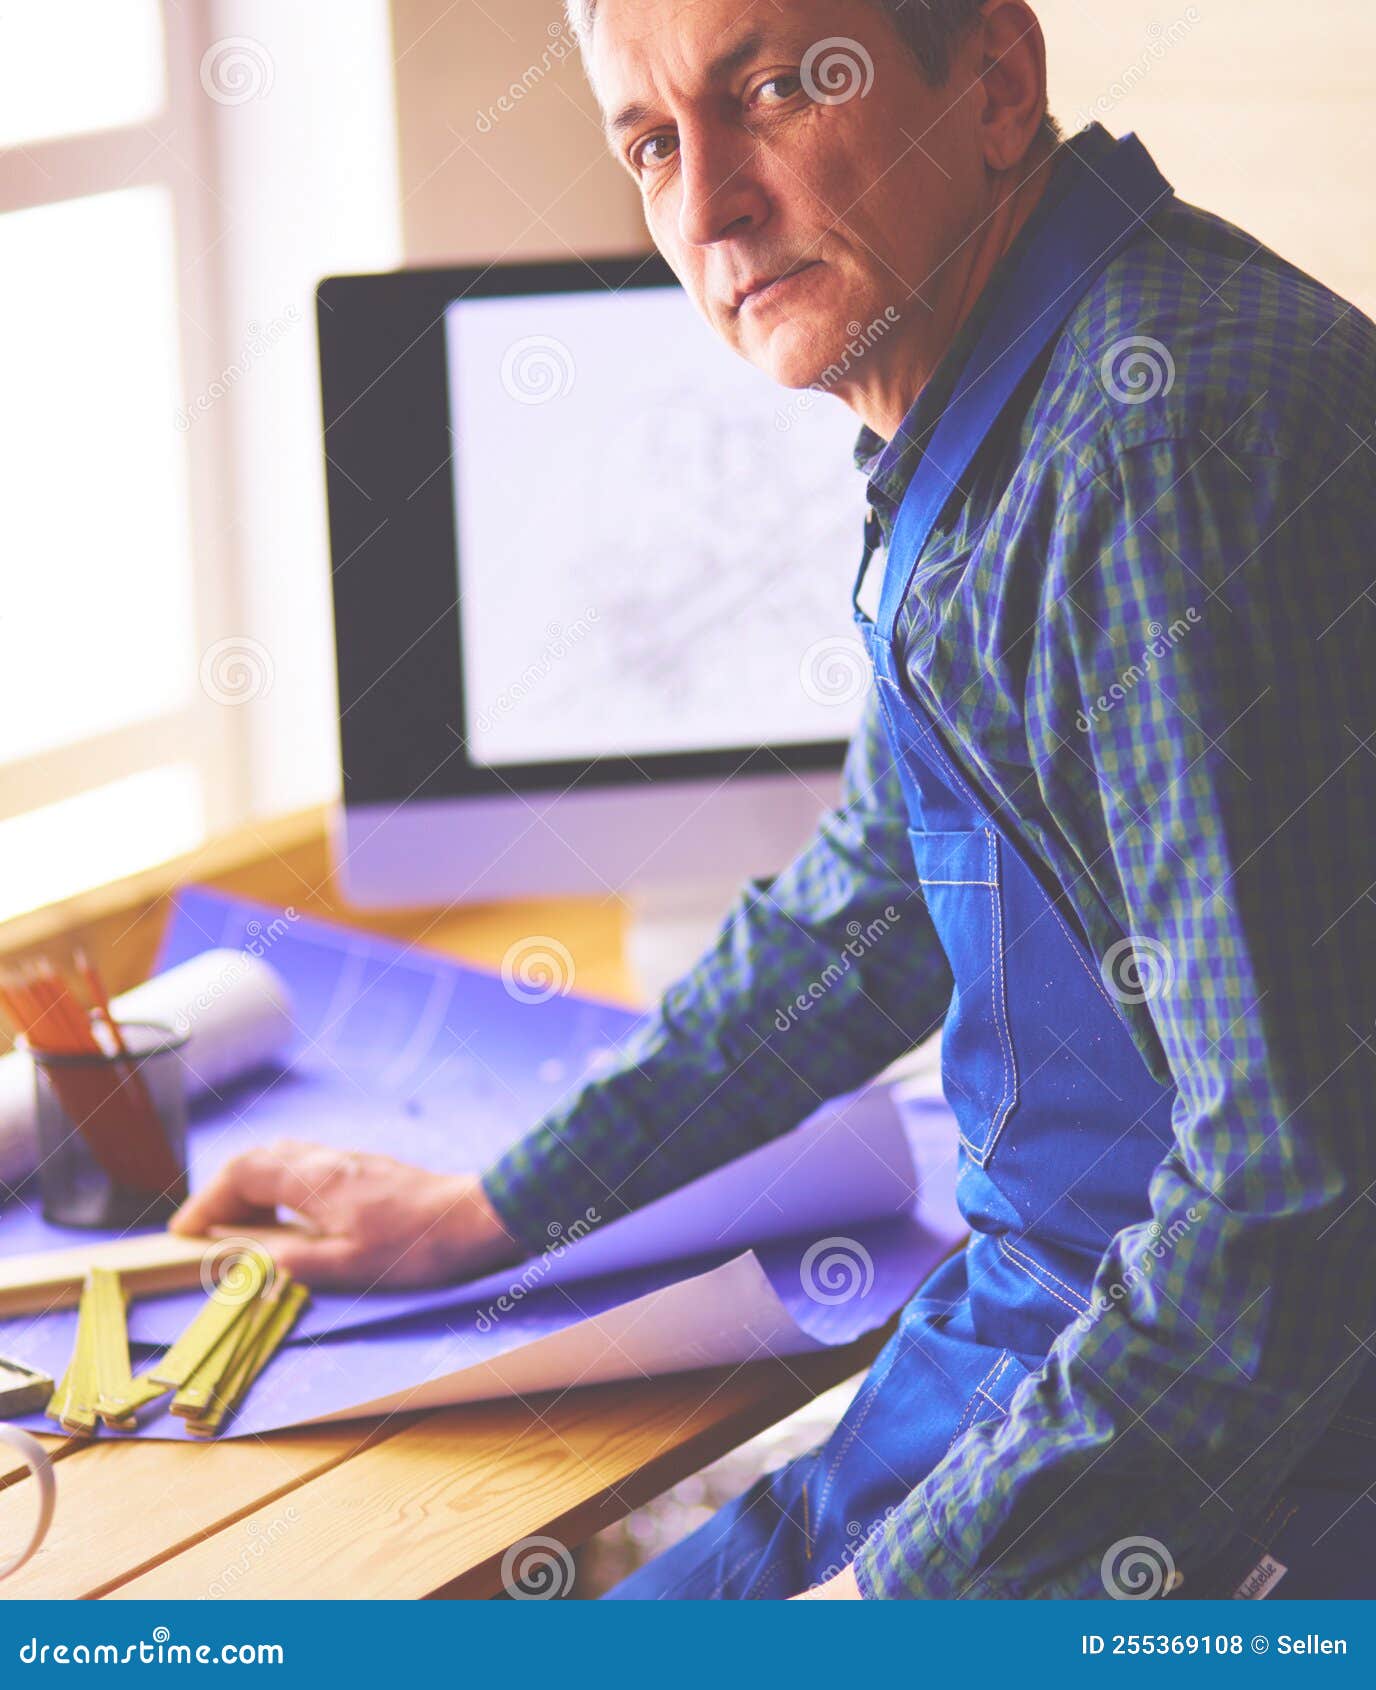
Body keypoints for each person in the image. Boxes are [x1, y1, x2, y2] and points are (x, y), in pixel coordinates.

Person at [172, 0, 1376, 1600]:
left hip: (1240, 1470)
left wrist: (876, 1607)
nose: (707, 207)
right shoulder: (1005, 398)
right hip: (1045, 1350)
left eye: (777, 91)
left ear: (996, 81)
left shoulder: (1151, 453)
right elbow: (867, 906)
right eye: (650, 143)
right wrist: (483, 1209)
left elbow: (1283, 1212)